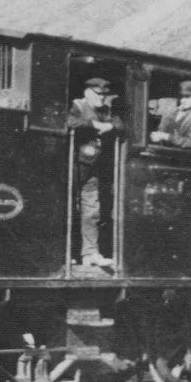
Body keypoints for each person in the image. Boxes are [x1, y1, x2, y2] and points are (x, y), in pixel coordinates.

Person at [68, 77, 124, 267]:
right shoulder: (77, 105)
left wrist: (110, 125)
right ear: (88, 93)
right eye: (99, 94)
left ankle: (90, 253)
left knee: (92, 210)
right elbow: (70, 122)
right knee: (69, 207)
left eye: (104, 95)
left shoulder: (105, 110)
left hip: (93, 167)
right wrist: (93, 125)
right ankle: (67, 252)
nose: (102, 98)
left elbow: (120, 125)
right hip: (74, 165)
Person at [150, 80, 191, 149]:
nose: (182, 101)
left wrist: (166, 136)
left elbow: (189, 142)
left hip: (182, 155)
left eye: (187, 97)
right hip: (159, 149)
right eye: (181, 96)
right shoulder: (170, 105)